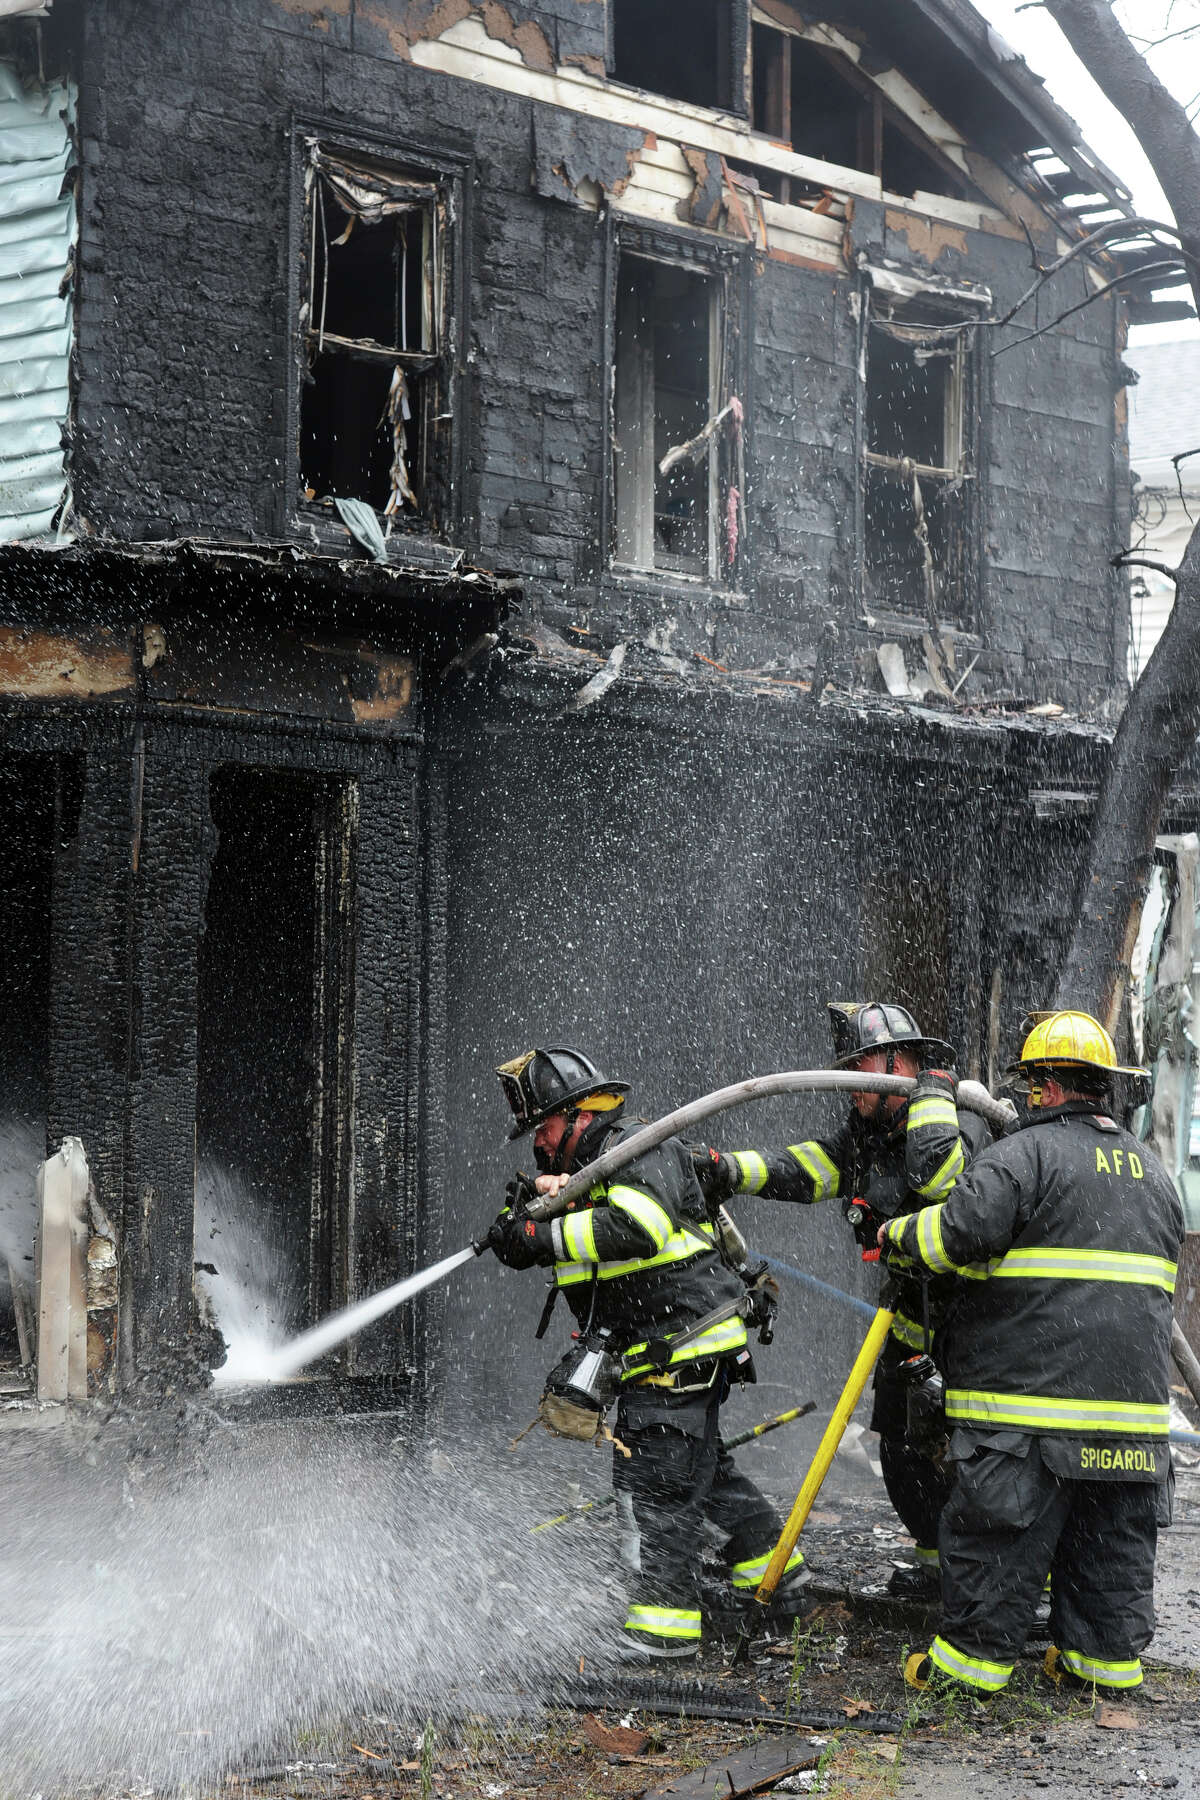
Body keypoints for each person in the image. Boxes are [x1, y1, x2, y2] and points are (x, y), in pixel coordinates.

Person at [879, 1009, 1183, 1699]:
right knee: (1108, 1554)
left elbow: (954, 1234)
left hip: (1028, 1422)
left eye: (1029, 1088)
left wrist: (896, 1233)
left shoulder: (1022, 1158)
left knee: (997, 1543)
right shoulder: (1154, 1175)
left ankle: (967, 1674)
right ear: (1101, 1088)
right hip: (1131, 1429)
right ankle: (1099, 1668)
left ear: (1045, 1090)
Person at [485, 1045, 805, 1661]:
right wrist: (523, 1222)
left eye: (545, 1128)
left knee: (660, 1482)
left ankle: (665, 1626)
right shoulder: (592, 1169)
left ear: (580, 1114)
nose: (540, 1145)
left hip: (679, 1347)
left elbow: (639, 1230)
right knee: (699, 1470)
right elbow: (580, 1239)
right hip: (663, 1349)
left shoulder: (634, 1148)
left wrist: (542, 1233)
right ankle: (774, 1569)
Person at [695, 1001, 992, 1596]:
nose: (853, 1084)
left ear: (894, 1063)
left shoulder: (960, 1122)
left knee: (980, 1455)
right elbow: (807, 1170)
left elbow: (944, 1186)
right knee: (905, 1449)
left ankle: (1008, 1578)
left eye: (861, 1068)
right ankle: (938, 1567)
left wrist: (931, 1096)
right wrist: (727, 1169)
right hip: (911, 1319)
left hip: (979, 1328)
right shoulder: (867, 1133)